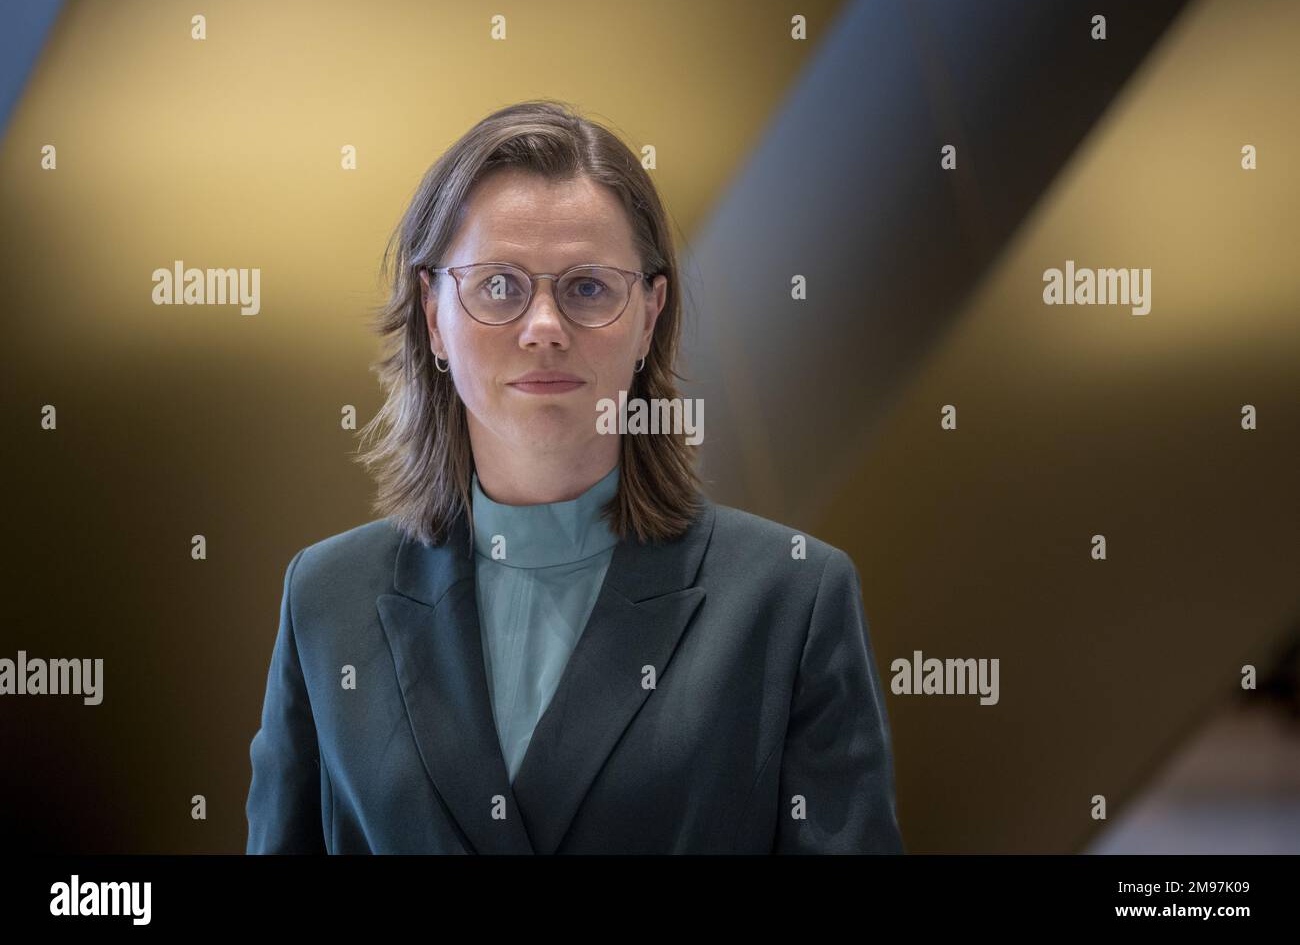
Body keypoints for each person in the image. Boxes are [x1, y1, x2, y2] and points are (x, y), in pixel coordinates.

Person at [245, 99, 903, 854]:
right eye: (500, 286)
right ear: (434, 316)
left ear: (649, 315)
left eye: (588, 286)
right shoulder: (326, 599)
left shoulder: (792, 600)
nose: (545, 326)